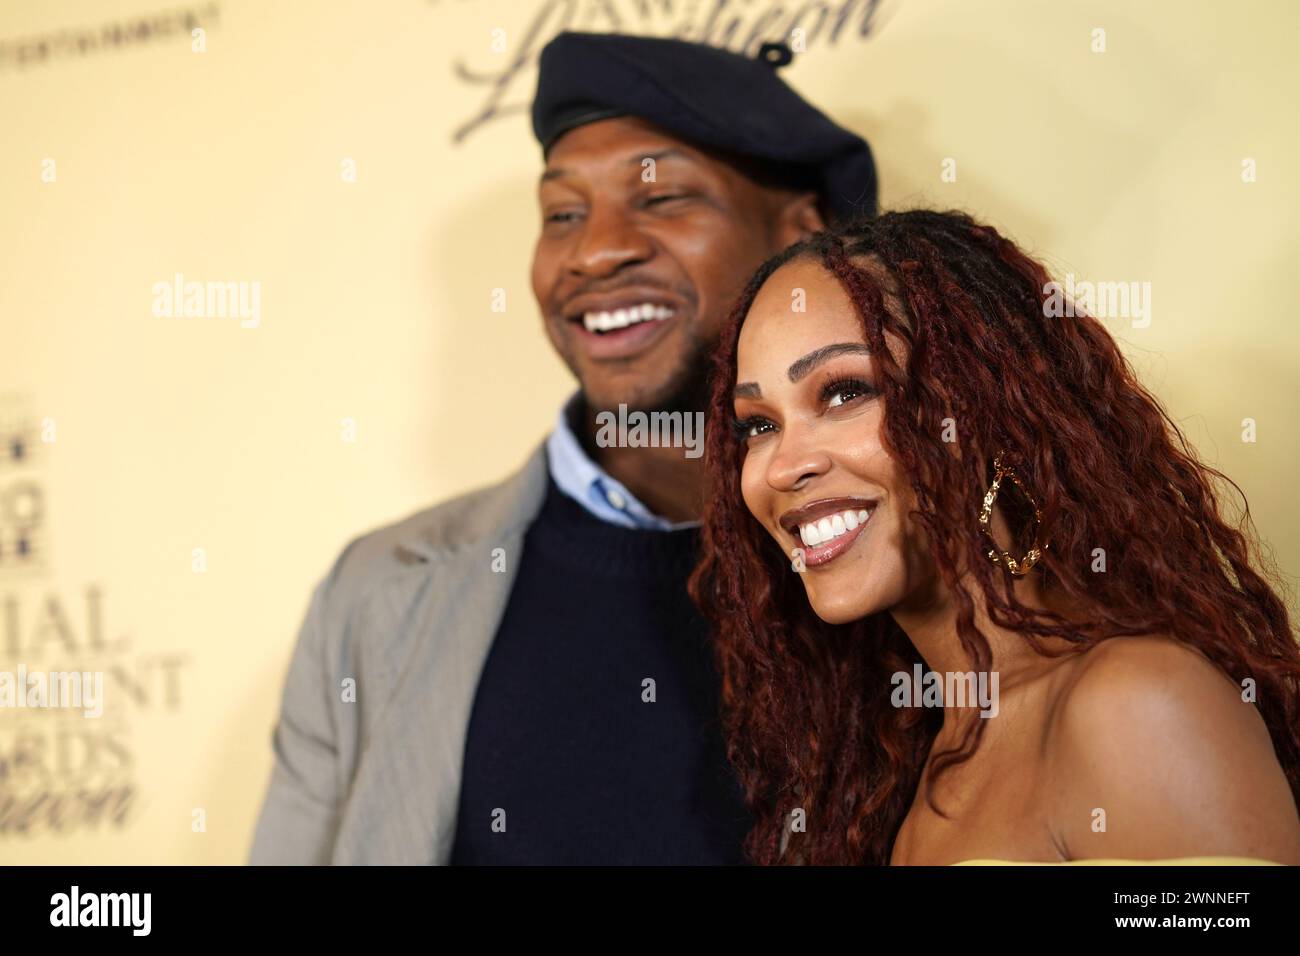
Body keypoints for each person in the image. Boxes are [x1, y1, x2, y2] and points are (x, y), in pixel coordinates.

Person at [248, 31, 878, 864]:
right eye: (562, 215)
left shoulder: (897, 558)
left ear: (802, 235)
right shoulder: (377, 594)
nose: (594, 250)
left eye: (660, 198)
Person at [690, 209, 1300, 865]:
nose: (784, 466)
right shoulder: (903, 755)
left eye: (844, 392)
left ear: (983, 407)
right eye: (757, 425)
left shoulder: (1133, 705)